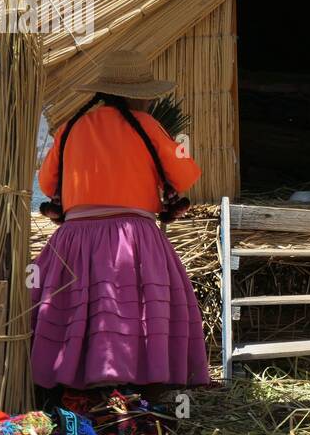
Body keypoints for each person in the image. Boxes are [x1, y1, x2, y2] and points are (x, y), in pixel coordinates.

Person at [29, 49, 209, 395]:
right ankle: (137, 385)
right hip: (132, 237)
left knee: (79, 307)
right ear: (136, 95)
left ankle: (76, 385)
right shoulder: (148, 127)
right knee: (132, 307)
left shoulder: (69, 129)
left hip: (74, 239)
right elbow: (186, 174)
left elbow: (48, 184)